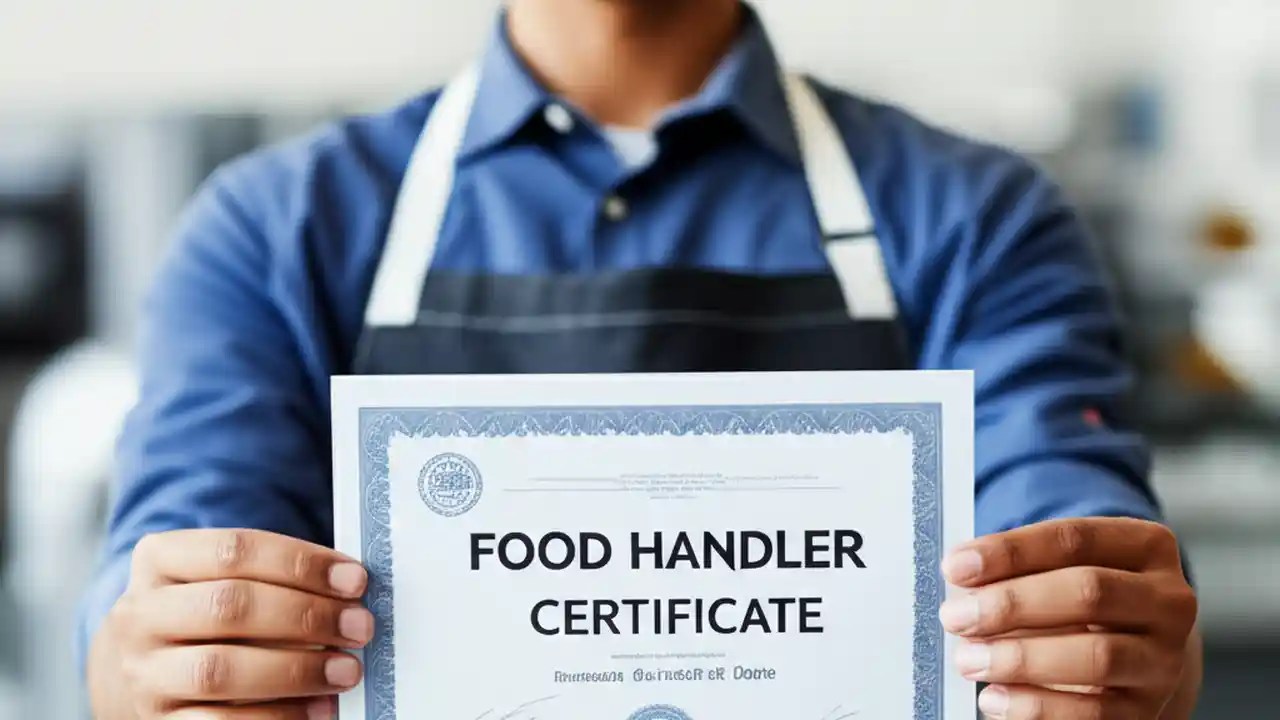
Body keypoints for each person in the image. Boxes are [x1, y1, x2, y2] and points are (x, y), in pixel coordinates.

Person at [82, 1, 1201, 718]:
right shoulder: (277, 226)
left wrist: (1109, 650)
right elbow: (160, 576)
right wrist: (155, 668)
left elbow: (1066, 521)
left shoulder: (977, 216)